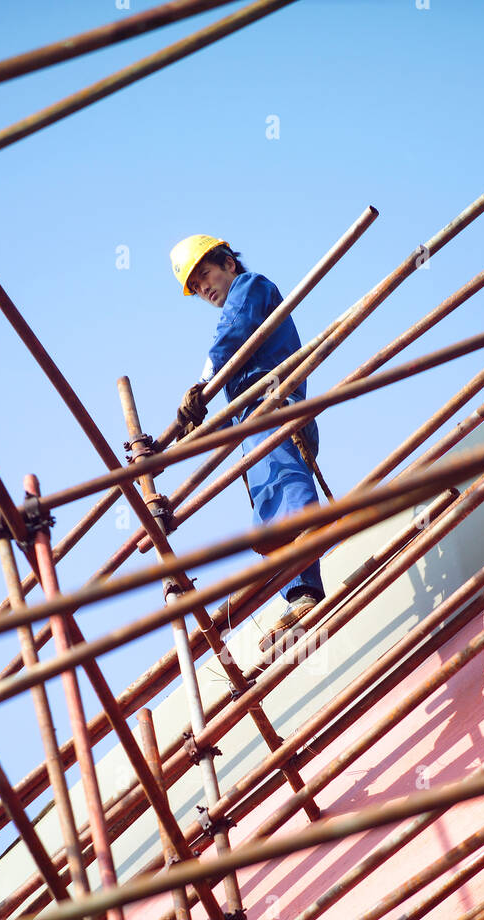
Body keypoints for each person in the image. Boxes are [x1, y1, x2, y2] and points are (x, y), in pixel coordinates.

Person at [169, 234, 325, 651]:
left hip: (273, 405)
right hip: (252, 419)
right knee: (270, 503)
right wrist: (199, 426)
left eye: (206, 274)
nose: (205, 288)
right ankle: (300, 596)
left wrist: (203, 384)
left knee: (286, 491)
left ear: (228, 264)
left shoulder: (250, 286)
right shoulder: (237, 316)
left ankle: (308, 583)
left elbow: (233, 329)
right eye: (198, 288)